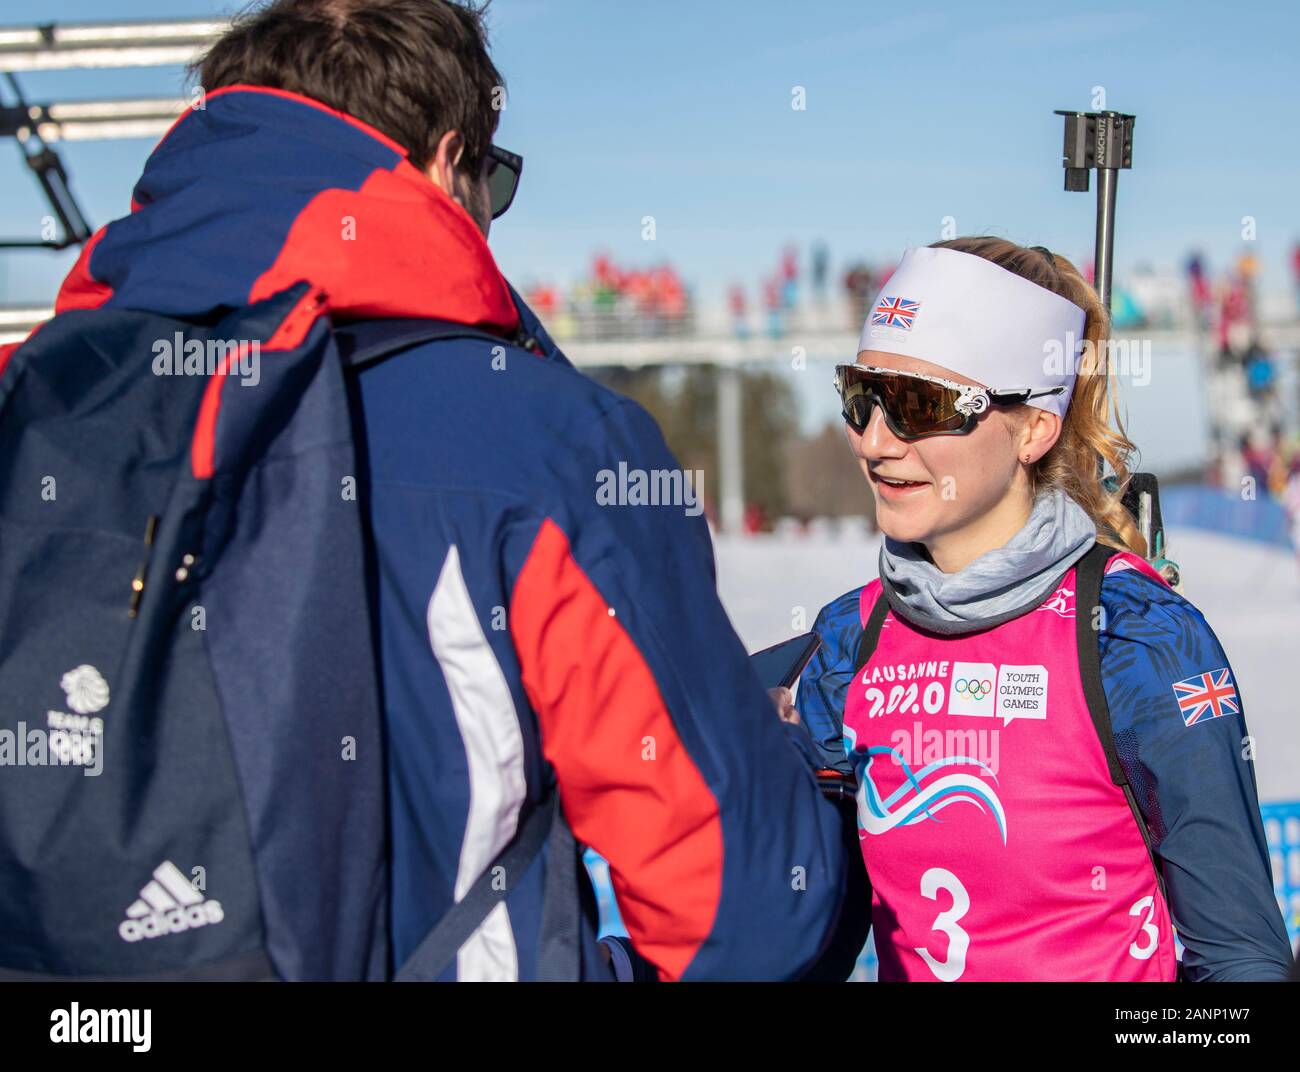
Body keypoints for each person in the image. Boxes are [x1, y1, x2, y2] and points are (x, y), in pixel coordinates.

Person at [13, 0, 849, 981]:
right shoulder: (540, 437)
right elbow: (740, 917)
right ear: (448, 161)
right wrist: (820, 788)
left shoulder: (37, 396)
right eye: (494, 178)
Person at [794, 237, 1294, 981]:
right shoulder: (850, 640)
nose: (873, 441)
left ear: (1034, 428)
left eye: (920, 407)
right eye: (861, 396)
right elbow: (805, 941)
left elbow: (1243, 965)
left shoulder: (1134, 636)